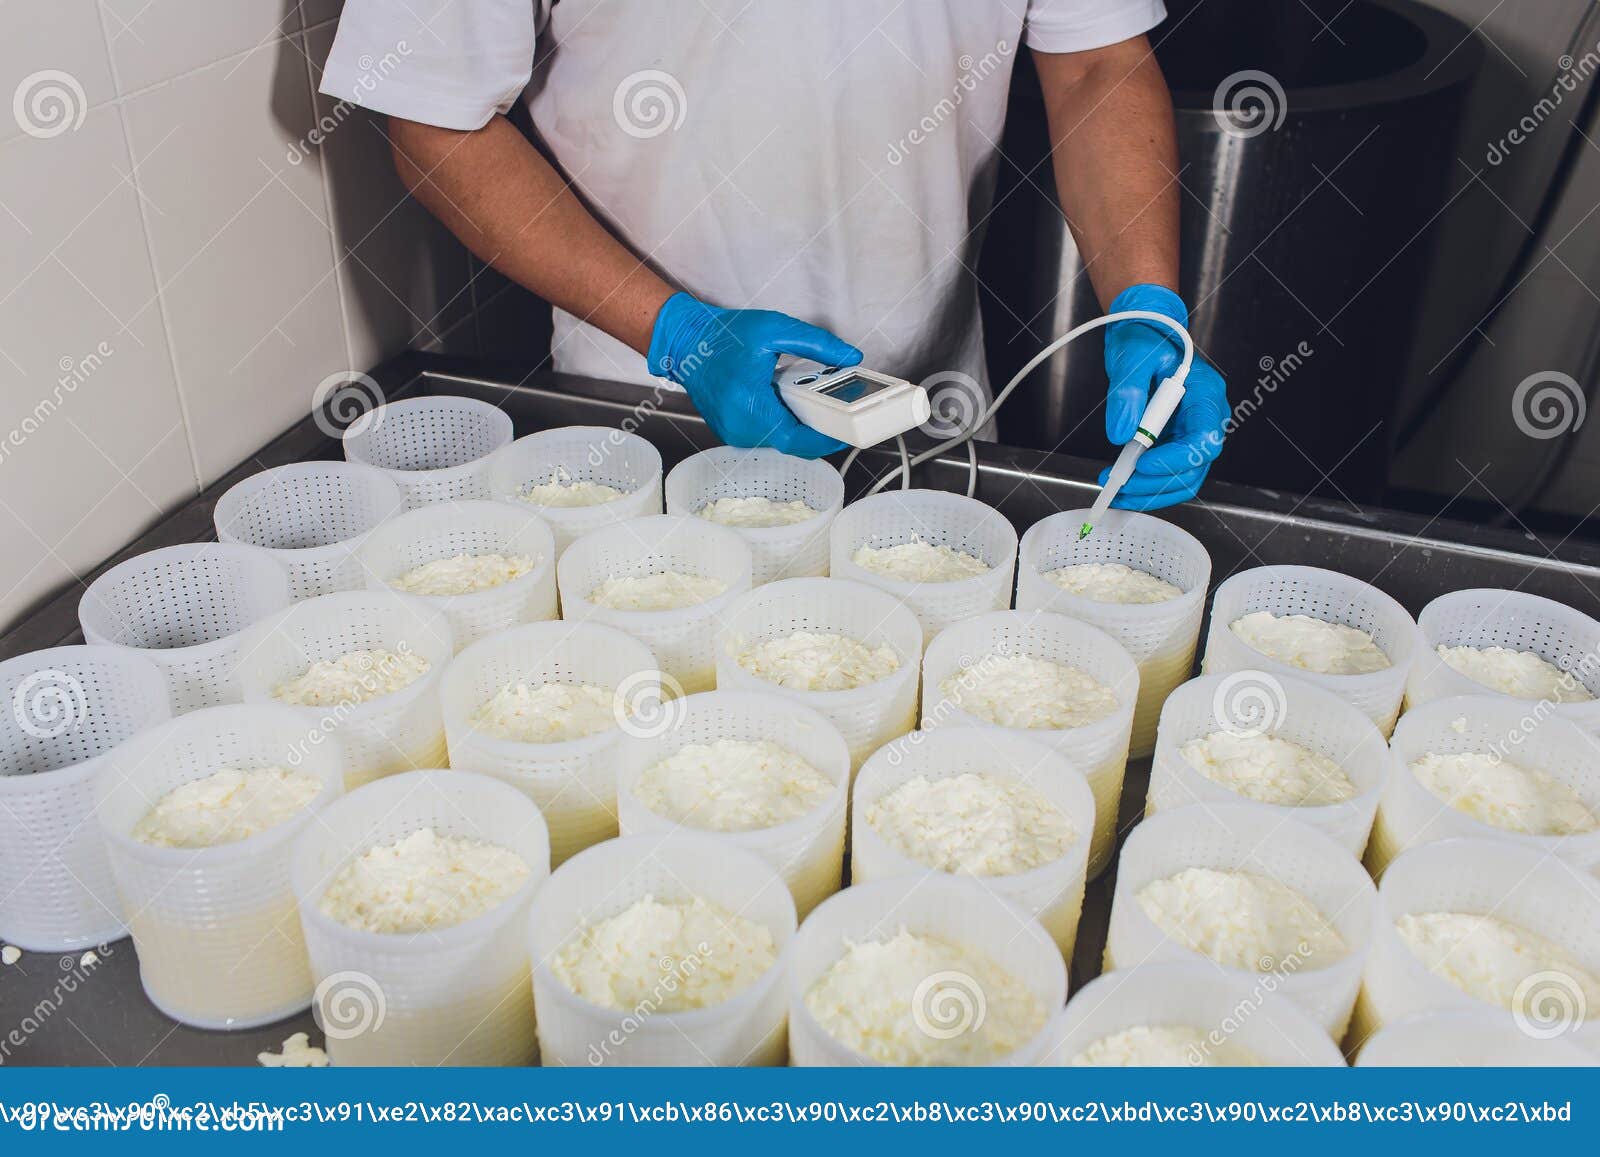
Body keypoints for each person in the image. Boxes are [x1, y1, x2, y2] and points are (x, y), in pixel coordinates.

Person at [321, 0, 1227, 509]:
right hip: (647, 426)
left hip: (927, 423)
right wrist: (679, 332)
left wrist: (1148, 304)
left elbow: (1094, 64)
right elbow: (431, 122)